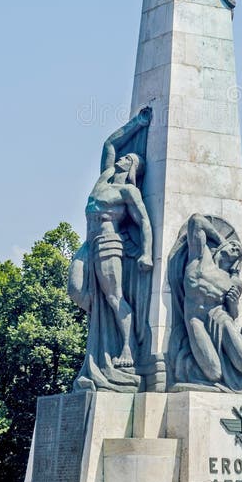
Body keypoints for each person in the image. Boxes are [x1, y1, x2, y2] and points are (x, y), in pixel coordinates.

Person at [68, 107, 153, 391]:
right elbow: (110, 144)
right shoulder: (103, 178)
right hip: (87, 245)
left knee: (115, 298)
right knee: (76, 291)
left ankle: (126, 348)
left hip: (107, 242)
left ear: (132, 170)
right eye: (124, 157)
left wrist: (146, 252)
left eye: (128, 159)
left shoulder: (129, 193)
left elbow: (144, 223)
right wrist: (137, 124)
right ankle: (103, 341)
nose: (122, 159)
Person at [169, 213, 242, 396]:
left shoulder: (233, 281)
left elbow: (233, 315)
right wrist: (222, 240)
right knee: (214, 372)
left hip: (220, 318)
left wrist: (233, 303)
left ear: (237, 261)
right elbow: (196, 220)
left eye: (239, 251)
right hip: (195, 318)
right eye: (234, 246)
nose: (235, 249)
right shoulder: (200, 257)